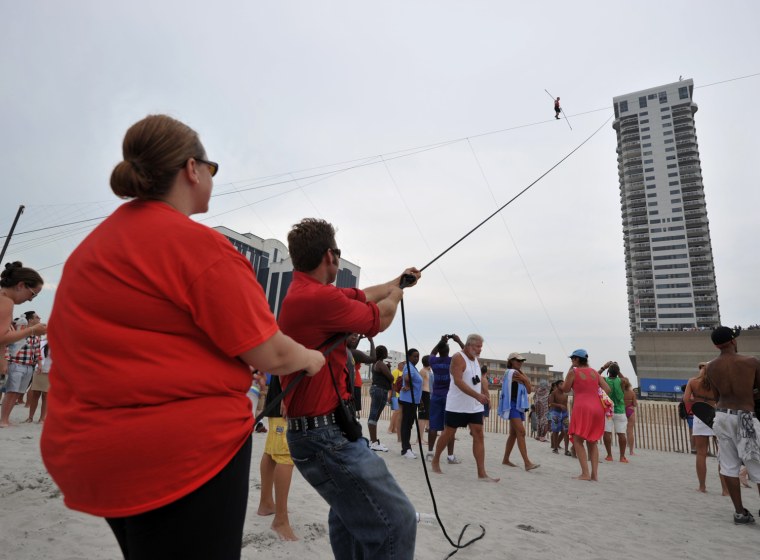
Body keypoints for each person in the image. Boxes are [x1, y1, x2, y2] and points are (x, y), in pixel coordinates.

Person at [39, 115, 325, 560]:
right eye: (212, 168)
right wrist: (309, 357)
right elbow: (269, 351)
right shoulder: (198, 247)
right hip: (180, 456)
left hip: (91, 454)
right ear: (193, 169)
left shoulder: (93, 247)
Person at [278, 217, 421, 558]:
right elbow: (382, 316)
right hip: (324, 437)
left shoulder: (308, 294)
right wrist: (397, 295)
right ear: (330, 256)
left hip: (327, 431)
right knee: (399, 521)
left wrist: (398, 282)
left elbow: (367, 294)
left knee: (353, 521)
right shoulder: (317, 300)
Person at [704, 327, 760, 524]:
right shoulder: (751, 362)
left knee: (728, 465)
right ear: (733, 341)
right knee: (756, 463)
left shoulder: (710, 367)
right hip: (745, 416)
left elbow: (717, 396)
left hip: (722, 415)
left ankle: (739, 513)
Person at [431, 334, 499, 482]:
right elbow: (458, 382)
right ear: (469, 345)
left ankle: (482, 473)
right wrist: (477, 395)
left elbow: (477, 380)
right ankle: (435, 460)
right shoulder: (458, 358)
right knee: (448, 433)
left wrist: (483, 394)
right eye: (477, 346)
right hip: (456, 405)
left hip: (474, 406)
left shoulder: (475, 359)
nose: (480, 349)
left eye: (481, 346)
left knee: (478, 434)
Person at [0, 267, 47, 428]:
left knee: (16, 391)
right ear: (21, 285)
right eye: (33, 294)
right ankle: (4, 420)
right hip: (19, 363)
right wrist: (32, 330)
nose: (31, 300)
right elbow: (1, 338)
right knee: (12, 391)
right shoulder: (6, 300)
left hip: (27, 364)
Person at [257, 375, 299, 541]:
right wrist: (288, 396)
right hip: (284, 396)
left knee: (271, 450)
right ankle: (280, 520)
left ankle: (266, 503)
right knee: (285, 455)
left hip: (278, 395)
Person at [562, 349, 610, 481]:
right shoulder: (594, 372)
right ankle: (594, 475)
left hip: (582, 407)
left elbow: (565, 389)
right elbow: (607, 389)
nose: (572, 361)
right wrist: (593, 393)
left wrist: (571, 370)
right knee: (592, 442)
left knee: (578, 440)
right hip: (597, 408)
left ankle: (585, 473)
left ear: (577, 359)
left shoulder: (574, 372)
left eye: (572, 359)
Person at [684, 362, 728, 495]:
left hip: (700, 417)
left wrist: (696, 403)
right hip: (716, 416)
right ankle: (725, 490)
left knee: (701, 453)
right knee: (723, 455)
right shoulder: (719, 383)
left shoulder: (692, 382)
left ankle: (702, 487)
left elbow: (686, 399)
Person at [426, 334, 464, 463]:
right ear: (448, 351)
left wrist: (441, 341)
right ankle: (450, 456)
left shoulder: (434, 362)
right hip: (449, 397)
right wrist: (458, 340)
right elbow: (465, 353)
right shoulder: (452, 361)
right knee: (450, 427)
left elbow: (432, 352)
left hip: (436, 396)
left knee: (433, 426)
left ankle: (430, 453)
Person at [499, 353, 539, 471]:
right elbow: (528, 387)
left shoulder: (520, 373)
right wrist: (525, 380)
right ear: (511, 361)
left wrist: (525, 380)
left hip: (518, 405)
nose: (520, 363)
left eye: (521, 361)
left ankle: (506, 459)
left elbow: (528, 389)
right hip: (512, 405)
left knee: (513, 434)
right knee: (521, 432)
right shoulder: (512, 372)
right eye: (517, 360)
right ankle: (527, 463)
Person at [600, 361, 629, 463]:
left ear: (608, 372)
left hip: (608, 409)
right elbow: (625, 380)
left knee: (607, 432)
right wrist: (618, 370)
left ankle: (609, 455)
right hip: (620, 410)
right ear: (618, 372)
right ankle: (622, 457)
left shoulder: (604, 380)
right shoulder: (622, 381)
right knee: (621, 434)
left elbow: (595, 376)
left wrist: (604, 367)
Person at [367, 345, 393, 451]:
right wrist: (388, 369)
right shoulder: (381, 364)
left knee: (374, 416)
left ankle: (373, 441)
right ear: (383, 353)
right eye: (386, 351)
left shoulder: (376, 363)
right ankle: (373, 443)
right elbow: (391, 378)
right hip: (380, 390)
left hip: (378, 389)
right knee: (374, 416)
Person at [399, 348, 422, 459]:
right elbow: (407, 377)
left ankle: (407, 448)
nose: (417, 358)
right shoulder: (409, 367)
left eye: (418, 356)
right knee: (407, 425)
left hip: (413, 400)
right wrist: (408, 385)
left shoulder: (412, 367)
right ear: (408, 357)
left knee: (408, 424)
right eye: (414, 356)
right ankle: (406, 449)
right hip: (409, 400)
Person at [347, 333, 375, 419]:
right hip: (354, 385)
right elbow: (373, 359)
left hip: (353, 384)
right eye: (353, 334)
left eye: (356, 335)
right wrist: (371, 341)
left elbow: (353, 347)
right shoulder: (352, 352)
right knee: (351, 411)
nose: (355, 337)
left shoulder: (348, 351)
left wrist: (358, 338)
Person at [26, 335, 51, 423]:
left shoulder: (59, 345)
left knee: (45, 395)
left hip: (50, 372)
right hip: (38, 371)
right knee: (35, 394)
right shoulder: (42, 343)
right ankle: (30, 417)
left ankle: (42, 418)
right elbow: (36, 355)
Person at [548, 380, 571, 456]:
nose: (563, 385)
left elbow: (565, 404)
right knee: (555, 431)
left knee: (566, 431)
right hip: (555, 413)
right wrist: (559, 405)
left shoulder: (565, 394)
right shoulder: (553, 393)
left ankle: (566, 450)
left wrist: (566, 412)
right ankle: (555, 448)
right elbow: (550, 403)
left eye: (564, 384)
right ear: (557, 385)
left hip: (565, 414)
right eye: (561, 384)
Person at [414, 354, 431, 445]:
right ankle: (419, 439)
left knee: (425, 417)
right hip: (423, 395)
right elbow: (418, 385)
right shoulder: (423, 371)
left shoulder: (427, 371)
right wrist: (420, 399)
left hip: (427, 395)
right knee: (422, 417)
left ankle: (421, 438)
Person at [389, 360, 405, 440]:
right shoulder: (395, 372)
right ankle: (390, 428)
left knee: (398, 412)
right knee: (396, 412)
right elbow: (392, 383)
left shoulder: (402, 372)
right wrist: (391, 394)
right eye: (402, 365)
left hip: (400, 394)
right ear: (399, 365)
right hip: (396, 393)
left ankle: (394, 428)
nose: (403, 366)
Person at [622, 378, 637, 456]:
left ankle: (622, 450)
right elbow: (635, 404)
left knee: (620, 432)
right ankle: (631, 451)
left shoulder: (620, 392)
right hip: (630, 410)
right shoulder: (632, 393)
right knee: (630, 431)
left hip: (621, 410)